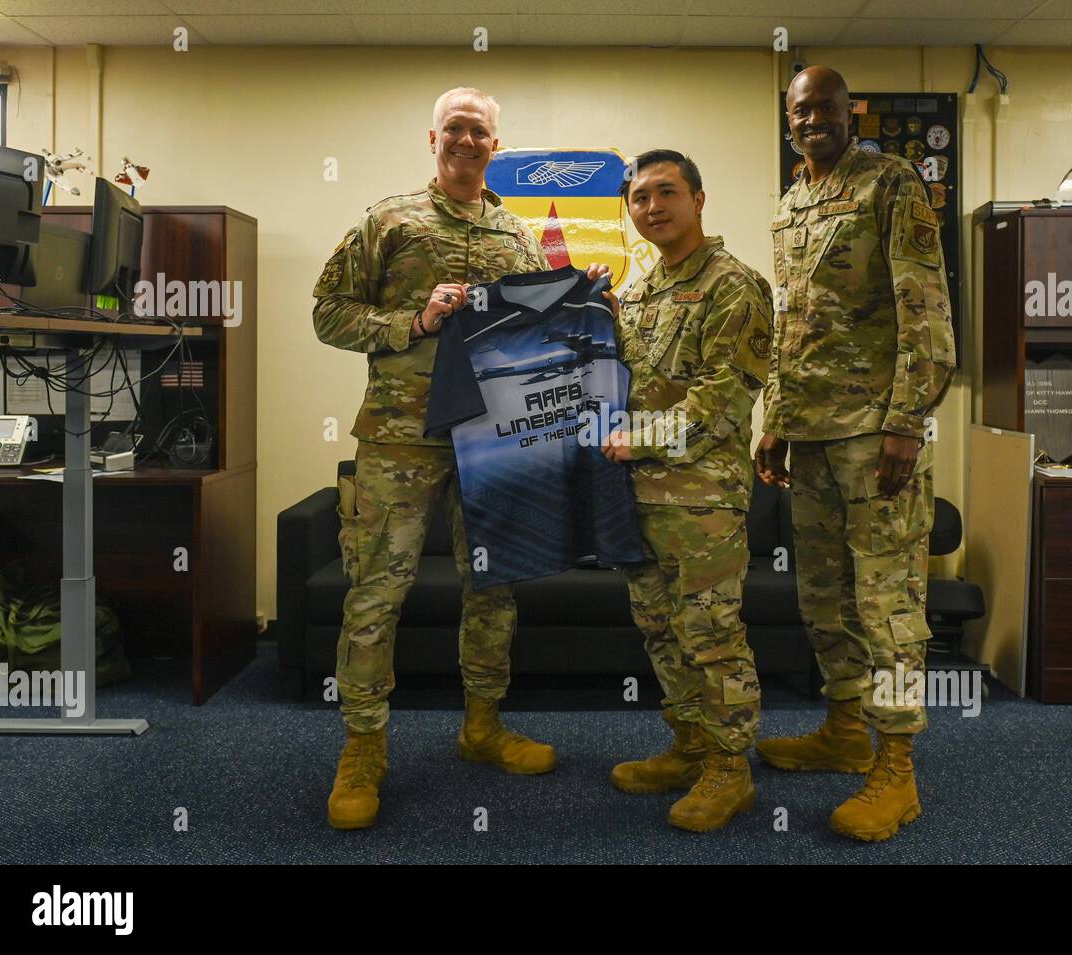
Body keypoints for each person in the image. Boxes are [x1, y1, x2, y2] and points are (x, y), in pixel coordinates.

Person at [312, 86, 606, 830]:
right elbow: (327, 311)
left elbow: (540, 319)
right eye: (456, 128)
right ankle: (363, 748)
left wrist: (582, 295)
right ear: (433, 138)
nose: (467, 140)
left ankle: (481, 725)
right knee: (378, 592)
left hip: (492, 438)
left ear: (496, 147)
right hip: (400, 436)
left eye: (480, 131)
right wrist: (413, 319)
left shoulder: (516, 233)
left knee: (493, 585)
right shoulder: (390, 220)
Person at [753, 66, 956, 841]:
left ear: (850, 113)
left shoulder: (890, 183)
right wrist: (775, 416)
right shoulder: (791, 203)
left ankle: (897, 767)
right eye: (801, 110)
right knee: (825, 595)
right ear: (789, 119)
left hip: (876, 434)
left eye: (827, 109)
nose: (813, 120)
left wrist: (907, 419)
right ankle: (842, 729)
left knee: (889, 602)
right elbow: (789, 325)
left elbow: (925, 305)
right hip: (810, 436)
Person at [603, 149, 773, 832]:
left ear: (699, 198)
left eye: (666, 192)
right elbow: (617, 376)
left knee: (710, 634)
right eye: (640, 197)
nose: (652, 207)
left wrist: (634, 438)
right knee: (661, 632)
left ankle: (731, 769)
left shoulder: (736, 285)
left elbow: (724, 402)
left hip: (702, 499)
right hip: (637, 499)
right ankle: (691, 745)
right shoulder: (640, 291)